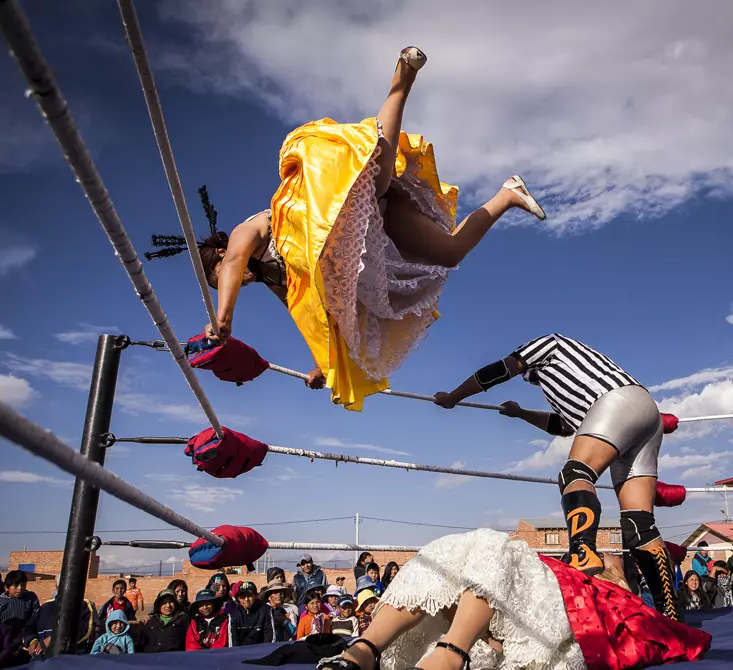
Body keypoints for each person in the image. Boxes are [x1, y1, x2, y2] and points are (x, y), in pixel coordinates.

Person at [152, 48, 547, 413]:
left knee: (373, 177)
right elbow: (309, 315)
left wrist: (223, 318)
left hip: (337, 199)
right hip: (370, 230)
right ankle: (507, 196)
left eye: (221, 279)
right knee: (449, 253)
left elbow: (237, 262)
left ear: (218, 258)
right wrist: (324, 365)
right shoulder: (277, 276)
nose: (243, 282)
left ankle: (402, 81)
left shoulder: (243, 236)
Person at [434, 334, 682, 620]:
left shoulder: (549, 344)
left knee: (576, 472)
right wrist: (521, 414)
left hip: (616, 403)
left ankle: (582, 552)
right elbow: (563, 426)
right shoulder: (569, 381)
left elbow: (500, 370)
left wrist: (454, 396)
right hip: (646, 414)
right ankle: (671, 615)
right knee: (640, 523)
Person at [319, 529, 710, 670]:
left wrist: (614, 574)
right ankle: (368, 649)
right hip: (522, 589)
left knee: (494, 545)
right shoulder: (587, 568)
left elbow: (629, 606)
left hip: (542, 608)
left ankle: (446, 652)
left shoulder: (622, 595)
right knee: (463, 547)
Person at [0, 570, 41, 658]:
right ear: (6, 588)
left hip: (27, 640)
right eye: (15, 586)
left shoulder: (31, 598)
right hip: (5, 643)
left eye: (23, 585)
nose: (20, 588)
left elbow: (36, 617)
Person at [139, 589, 187, 653]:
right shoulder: (151, 621)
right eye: (164, 602)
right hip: (152, 659)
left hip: (174, 659)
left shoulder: (183, 619)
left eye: (171, 602)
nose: (168, 605)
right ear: (158, 605)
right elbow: (141, 643)